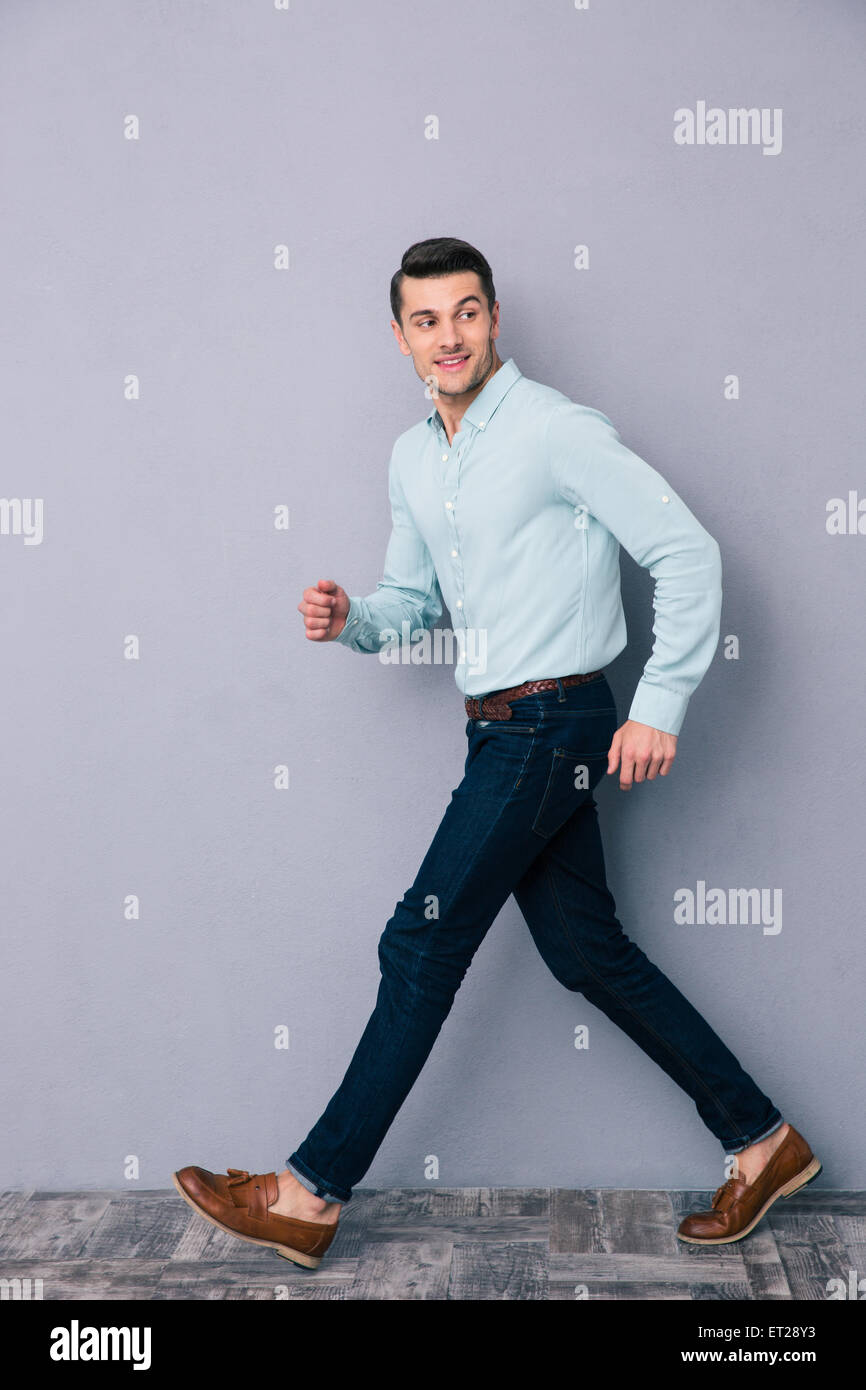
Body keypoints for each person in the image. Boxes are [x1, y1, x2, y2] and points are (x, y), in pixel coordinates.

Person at [173, 237, 820, 1269]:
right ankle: (762, 1139)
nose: (449, 336)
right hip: (499, 727)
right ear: (399, 337)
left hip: (553, 723)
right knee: (585, 954)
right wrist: (351, 620)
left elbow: (685, 551)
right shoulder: (412, 457)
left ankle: (308, 1193)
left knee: (418, 944)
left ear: (494, 318)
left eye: (465, 312)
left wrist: (658, 705)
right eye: (426, 320)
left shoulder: (556, 428)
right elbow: (411, 602)